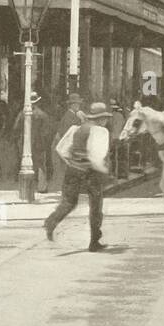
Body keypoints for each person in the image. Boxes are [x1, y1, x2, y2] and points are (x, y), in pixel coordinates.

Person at [44, 101, 112, 251]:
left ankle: (51, 221)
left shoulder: (76, 129)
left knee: (69, 202)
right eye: (105, 118)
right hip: (91, 173)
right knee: (95, 206)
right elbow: (97, 156)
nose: (106, 121)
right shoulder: (101, 132)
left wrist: (72, 162)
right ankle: (94, 241)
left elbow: (61, 149)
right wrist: (104, 170)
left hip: (73, 171)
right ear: (100, 118)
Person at [11, 92, 52, 194]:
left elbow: (16, 128)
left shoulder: (22, 114)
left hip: (24, 143)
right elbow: (47, 131)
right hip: (39, 143)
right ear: (38, 102)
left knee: (25, 164)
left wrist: (17, 139)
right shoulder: (42, 115)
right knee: (40, 164)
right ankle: (42, 186)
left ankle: (27, 186)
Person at [50, 93, 82, 192]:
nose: (78, 106)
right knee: (64, 168)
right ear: (72, 105)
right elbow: (68, 134)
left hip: (64, 145)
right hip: (65, 145)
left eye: (78, 104)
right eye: (77, 104)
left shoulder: (70, 115)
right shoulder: (71, 117)